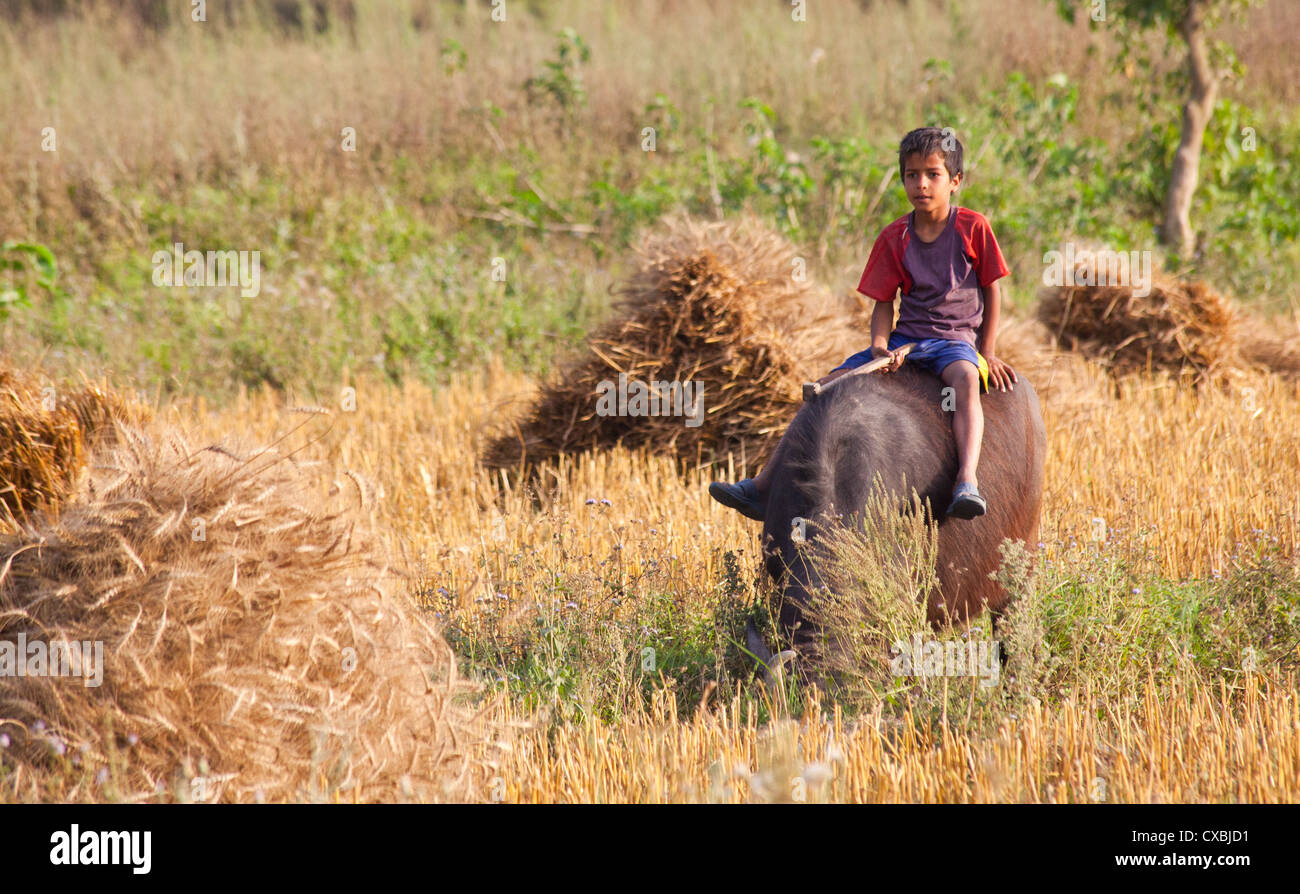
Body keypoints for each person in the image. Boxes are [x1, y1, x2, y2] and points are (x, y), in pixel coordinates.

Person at [709, 126, 1018, 521]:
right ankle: (762, 486)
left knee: (966, 382)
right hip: (907, 339)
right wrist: (878, 346)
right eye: (911, 175)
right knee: (826, 387)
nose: (920, 184)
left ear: (955, 181)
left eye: (933, 174)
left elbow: (993, 290)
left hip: (954, 340)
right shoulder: (895, 236)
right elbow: (883, 301)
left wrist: (986, 351)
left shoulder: (973, 228)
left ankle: (966, 479)